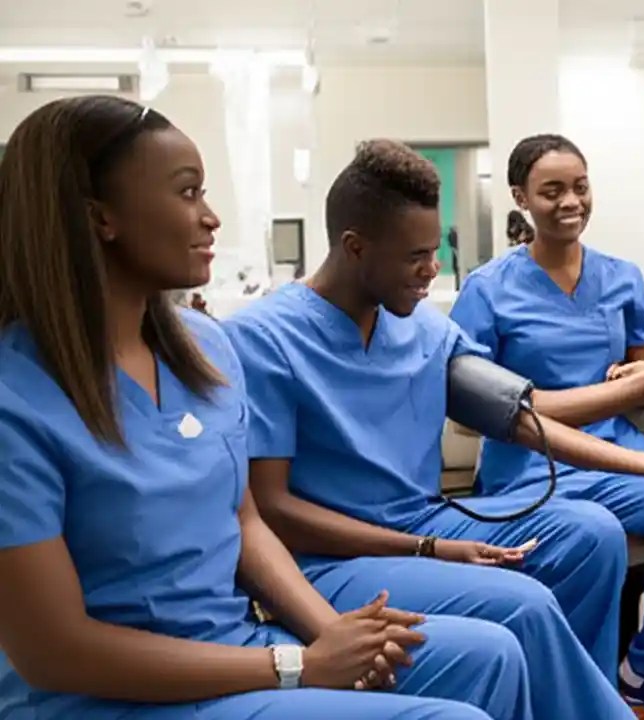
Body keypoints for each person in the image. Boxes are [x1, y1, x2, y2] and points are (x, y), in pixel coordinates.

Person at [0, 96, 525, 720]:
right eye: (188, 192)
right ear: (100, 218)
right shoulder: (18, 398)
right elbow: (55, 653)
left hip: (237, 646)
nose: (211, 217)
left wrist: (329, 636)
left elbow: (245, 521)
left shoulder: (205, 348)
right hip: (111, 698)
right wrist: (297, 665)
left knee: (493, 654)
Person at [222, 139, 644, 720]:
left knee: (589, 535)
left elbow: (524, 420)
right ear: (355, 247)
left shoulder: (420, 330)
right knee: (526, 608)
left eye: (436, 249)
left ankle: (575, 699)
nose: (431, 270)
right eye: (414, 256)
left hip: (423, 518)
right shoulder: (264, 339)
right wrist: (427, 547)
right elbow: (271, 509)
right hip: (329, 557)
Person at [450, 133, 644, 719]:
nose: (571, 201)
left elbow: (642, 374)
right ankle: (576, 692)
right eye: (551, 191)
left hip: (618, 454)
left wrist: (641, 374)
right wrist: (641, 382)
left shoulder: (622, 277)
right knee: (591, 528)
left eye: (580, 186)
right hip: (535, 467)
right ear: (520, 198)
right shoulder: (487, 290)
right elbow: (494, 410)